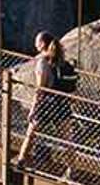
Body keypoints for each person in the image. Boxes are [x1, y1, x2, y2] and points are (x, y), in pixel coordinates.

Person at [10, 30, 73, 166]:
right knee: (67, 140)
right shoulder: (61, 60)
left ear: (42, 44)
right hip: (62, 103)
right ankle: (72, 169)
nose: (35, 44)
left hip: (47, 103)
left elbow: (40, 89)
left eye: (37, 42)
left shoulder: (43, 62)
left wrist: (33, 109)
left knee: (31, 133)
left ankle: (21, 160)